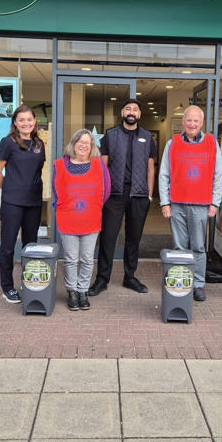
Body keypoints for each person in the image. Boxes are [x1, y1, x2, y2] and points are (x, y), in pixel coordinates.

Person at [89, 98, 156, 296]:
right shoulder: (111, 135)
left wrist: (150, 195)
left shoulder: (147, 136)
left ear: (140, 114)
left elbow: (150, 168)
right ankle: (102, 279)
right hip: (114, 194)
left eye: (135, 109)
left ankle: (130, 277)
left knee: (133, 238)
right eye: (128, 108)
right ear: (122, 113)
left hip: (139, 194)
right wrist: (102, 193)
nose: (131, 111)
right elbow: (102, 166)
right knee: (108, 237)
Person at [159, 105, 222, 301]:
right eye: (189, 120)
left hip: (201, 205)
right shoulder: (172, 143)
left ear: (202, 123)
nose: (192, 124)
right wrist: (164, 202)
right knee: (179, 248)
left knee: (198, 247)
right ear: (183, 122)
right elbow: (164, 175)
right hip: (177, 204)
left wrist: (215, 203)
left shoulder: (212, 143)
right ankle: (182, 283)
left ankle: (198, 284)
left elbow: (218, 175)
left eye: (196, 120)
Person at [0, 105, 46, 304]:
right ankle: (7, 287)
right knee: (8, 246)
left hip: (33, 201)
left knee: (31, 246)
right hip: (12, 203)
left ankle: (28, 280)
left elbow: (38, 171)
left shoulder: (39, 143)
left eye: (29, 119)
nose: (26, 123)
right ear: (15, 122)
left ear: (34, 122)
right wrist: (9, 190)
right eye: (21, 120)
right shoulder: (7, 143)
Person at [53, 129, 111, 311]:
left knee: (86, 258)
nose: (83, 145)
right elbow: (56, 190)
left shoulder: (98, 164)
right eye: (80, 141)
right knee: (70, 259)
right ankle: (72, 291)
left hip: (90, 218)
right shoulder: (60, 165)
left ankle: (83, 291)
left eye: (87, 142)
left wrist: (94, 206)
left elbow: (106, 189)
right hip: (68, 218)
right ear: (73, 144)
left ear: (92, 146)